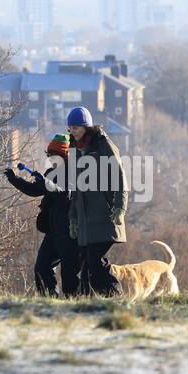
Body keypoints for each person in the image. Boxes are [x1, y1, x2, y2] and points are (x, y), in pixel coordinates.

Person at [5, 133, 81, 296]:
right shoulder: (51, 172)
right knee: (41, 268)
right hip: (53, 233)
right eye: (49, 155)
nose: (50, 159)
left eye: (53, 155)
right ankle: (49, 300)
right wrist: (14, 179)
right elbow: (34, 190)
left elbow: (64, 195)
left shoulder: (73, 173)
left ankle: (73, 305)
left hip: (70, 234)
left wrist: (44, 182)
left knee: (69, 277)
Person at [65, 106, 127, 296]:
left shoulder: (103, 144)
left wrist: (119, 207)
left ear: (86, 127)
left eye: (75, 127)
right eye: (70, 128)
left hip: (104, 215)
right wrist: (73, 217)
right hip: (85, 219)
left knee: (93, 259)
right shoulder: (74, 148)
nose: (72, 131)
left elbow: (119, 176)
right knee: (86, 261)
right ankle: (86, 299)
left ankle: (114, 295)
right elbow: (76, 188)